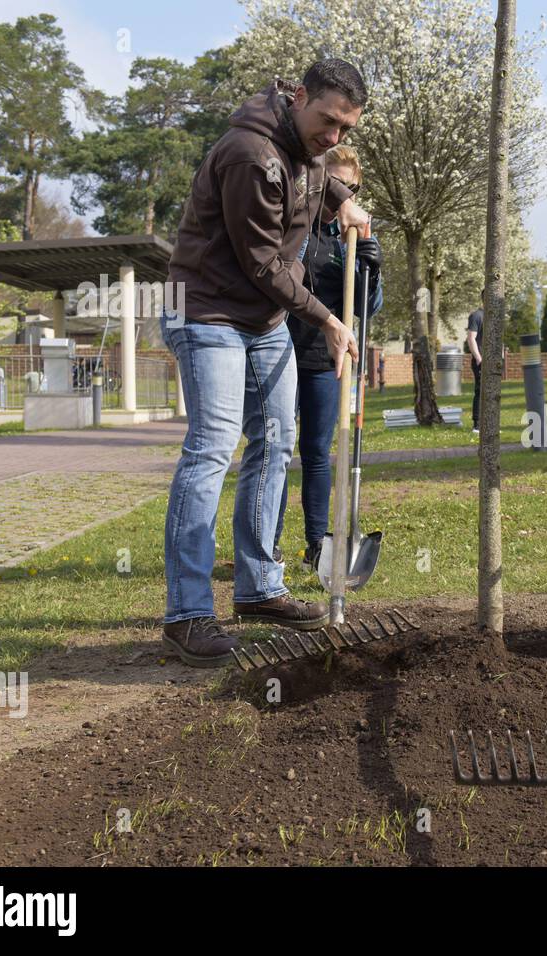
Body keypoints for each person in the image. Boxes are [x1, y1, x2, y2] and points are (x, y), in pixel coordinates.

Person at [159, 59, 372, 668]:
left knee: (277, 441)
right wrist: (330, 320)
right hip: (207, 312)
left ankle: (258, 587)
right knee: (212, 447)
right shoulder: (251, 155)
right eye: (327, 121)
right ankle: (187, 613)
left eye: (345, 130)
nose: (334, 137)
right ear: (299, 97)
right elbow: (263, 265)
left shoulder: (300, 142)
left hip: (262, 320)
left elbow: (311, 167)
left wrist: (341, 198)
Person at [274, 144, 384, 572]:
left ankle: (317, 544)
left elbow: (367, 308)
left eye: (353, 187)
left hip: (326, 357)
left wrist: (370, 271)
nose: (346, 195)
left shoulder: (354, 237)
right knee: (276, 446)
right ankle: (269, 544)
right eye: (337, 185)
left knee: (317, 451)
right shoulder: (298, 224)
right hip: (280, 347)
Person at [465, 290, 484, 434]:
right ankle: (476, 425)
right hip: (480, 360)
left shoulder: (494, 317)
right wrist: (478, 358)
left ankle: (489, 423)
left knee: (492, 392)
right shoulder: (476, 316)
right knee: (480, 390)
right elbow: (471, 338)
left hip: (493, 361)